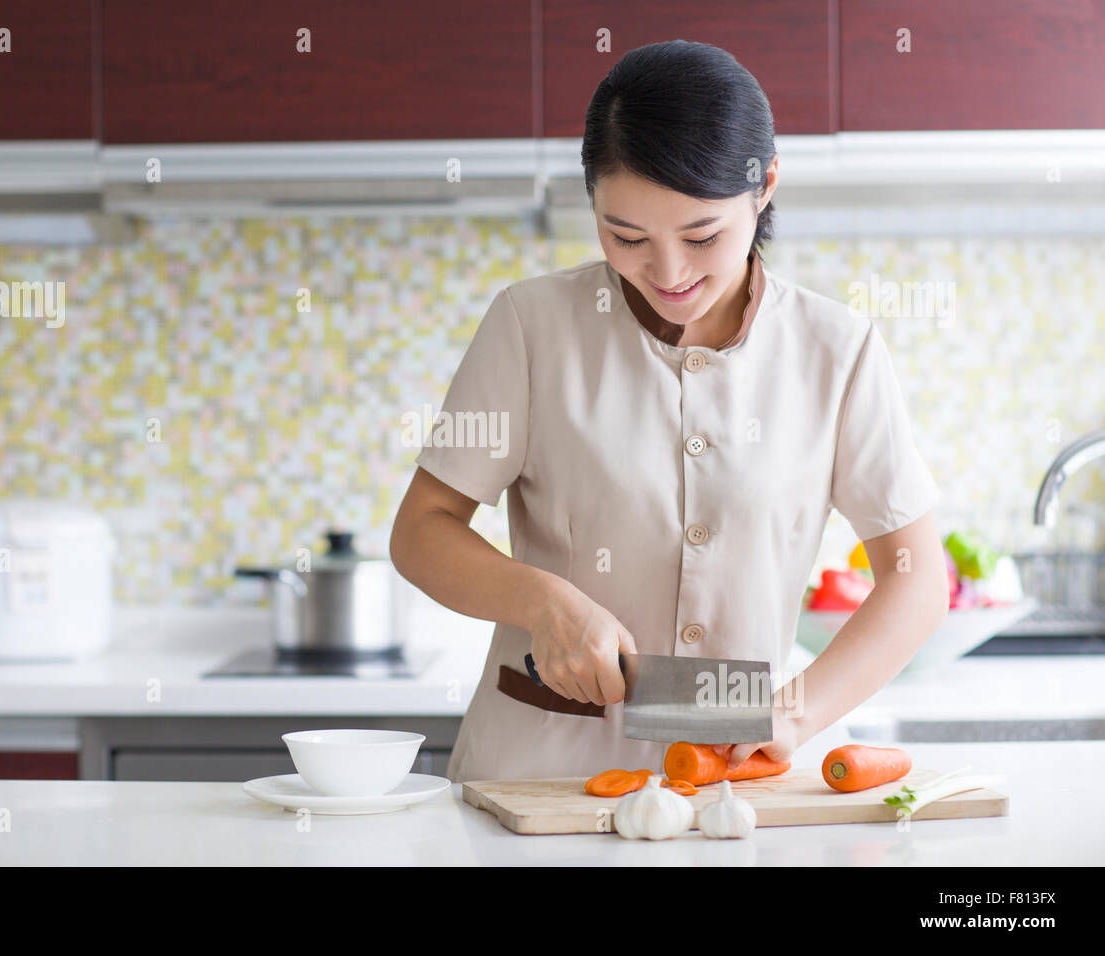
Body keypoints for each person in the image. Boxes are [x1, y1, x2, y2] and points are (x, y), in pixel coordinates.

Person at [390, 40, 949, 783]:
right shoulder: (533, 326)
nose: (670, 272)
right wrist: (544, 599)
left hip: (730, 778)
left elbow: (915, 579)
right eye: (626, 237)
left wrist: (795, 714)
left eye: (702, 236)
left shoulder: (837, 351)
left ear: (765, 187)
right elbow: (421, 533)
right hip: (535, 780)